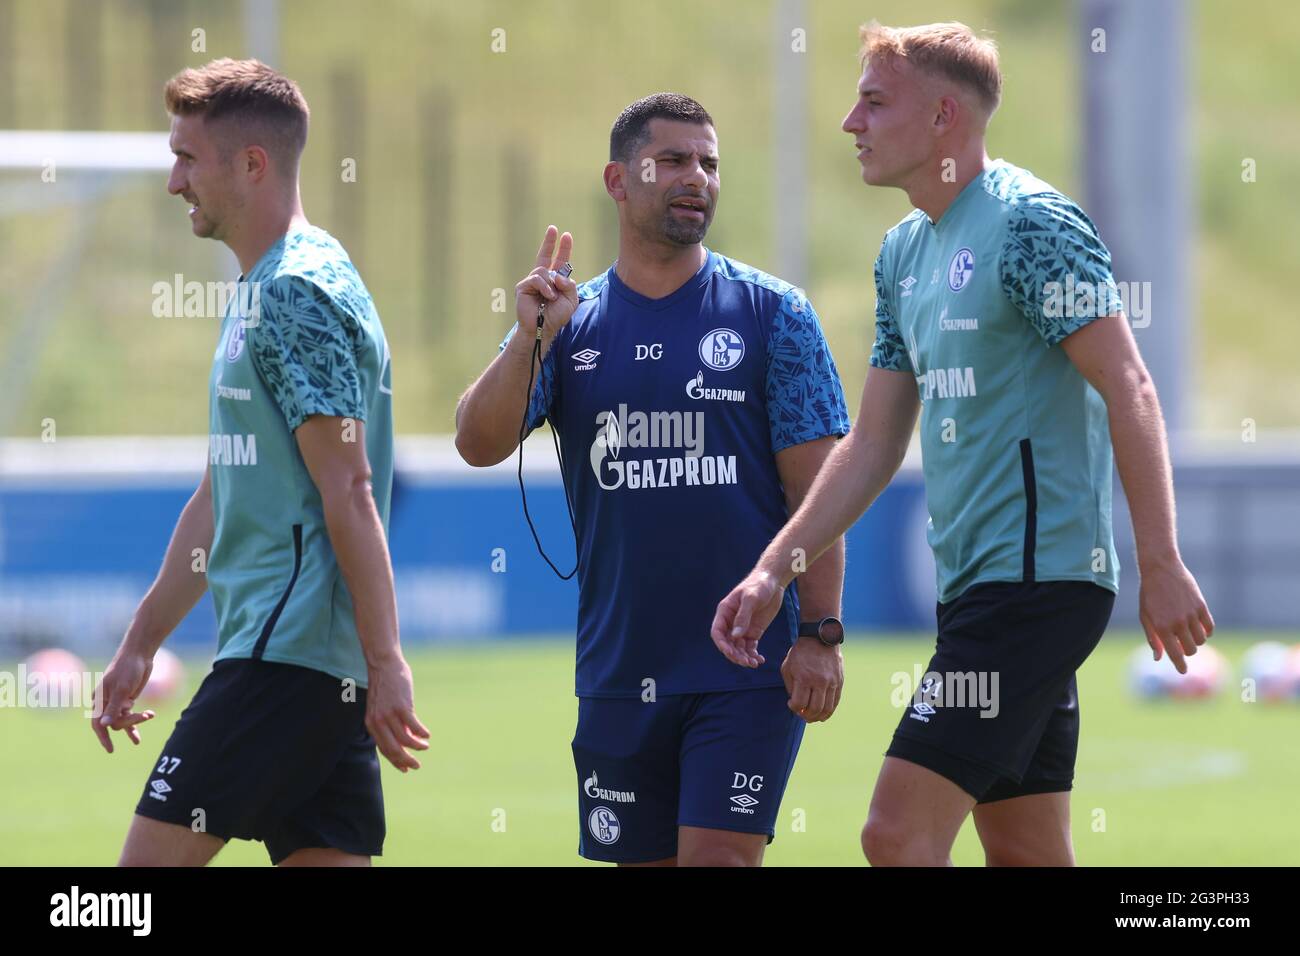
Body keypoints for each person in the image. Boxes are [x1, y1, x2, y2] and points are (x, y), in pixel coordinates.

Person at [711, 22, 1214, 866]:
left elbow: (1128, 383)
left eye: (874, 101)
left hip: (1038, 587)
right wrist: (777, 568)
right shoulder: (902, 253)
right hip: (979, 591)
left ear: (944, 116)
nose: (849, 122)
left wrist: (1160, 559)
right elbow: (873, 443)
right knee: (1025, 847)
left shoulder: (1031, 226)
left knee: (896, 834)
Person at [455, 93, 851, 866]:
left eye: (708, 163)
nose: (695, 178)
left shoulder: (774, 315)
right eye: (671, 160)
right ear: (617, 179)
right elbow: (478, 442)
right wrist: (527, 342)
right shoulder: (571, 318)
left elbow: (822, 494)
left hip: (744, 669)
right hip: (618, 669)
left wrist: (818, 631)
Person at [92, 58, 428, 867]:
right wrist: (141, 642)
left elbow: (348, 487)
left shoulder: (295, 293)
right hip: (307, 662)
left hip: (288, 658)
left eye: (186, 159)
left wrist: (387, 662)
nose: (174, 181)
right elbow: (221, 491)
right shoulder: (264, 287)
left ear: (252, 163)